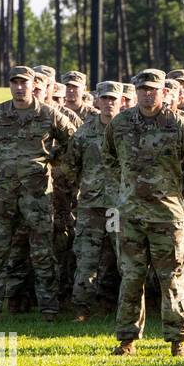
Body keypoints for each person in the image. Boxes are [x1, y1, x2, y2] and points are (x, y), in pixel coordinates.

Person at [104, 68, 184, 357]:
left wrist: (178, 192)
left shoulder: (177, 125)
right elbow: (109, 158)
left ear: (164, 92)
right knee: (130, 277)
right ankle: (127, 340)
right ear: (135, 91)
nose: (148, 93)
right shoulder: (121, 123)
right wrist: (128, 186)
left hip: (167, 216)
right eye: (143, 89)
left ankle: (178, 339)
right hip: (130, 215)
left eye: (153, 89)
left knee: (172, 277)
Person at [0, 65, 78, 322]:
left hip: (37, 196)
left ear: (34, 85)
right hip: (4, 196)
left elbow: (73, 140)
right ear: (10, 85)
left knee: (42, 253)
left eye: (24, 83)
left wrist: (52, 159)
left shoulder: (48, 114)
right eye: (14, 82)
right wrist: (0, 162)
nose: (19, 87)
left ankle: (49, 310)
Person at [58, 80, 122, 321]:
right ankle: (82, 308)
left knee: (122, 258)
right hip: (91, 206)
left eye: (113, 99)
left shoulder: (127, 130)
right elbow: (69, 167)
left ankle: (119, 306)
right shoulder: (85, 132)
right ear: (97, 100)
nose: (108, 103)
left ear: (120, 102)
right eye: (104, 99)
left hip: (118, 206)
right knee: (86, 257)